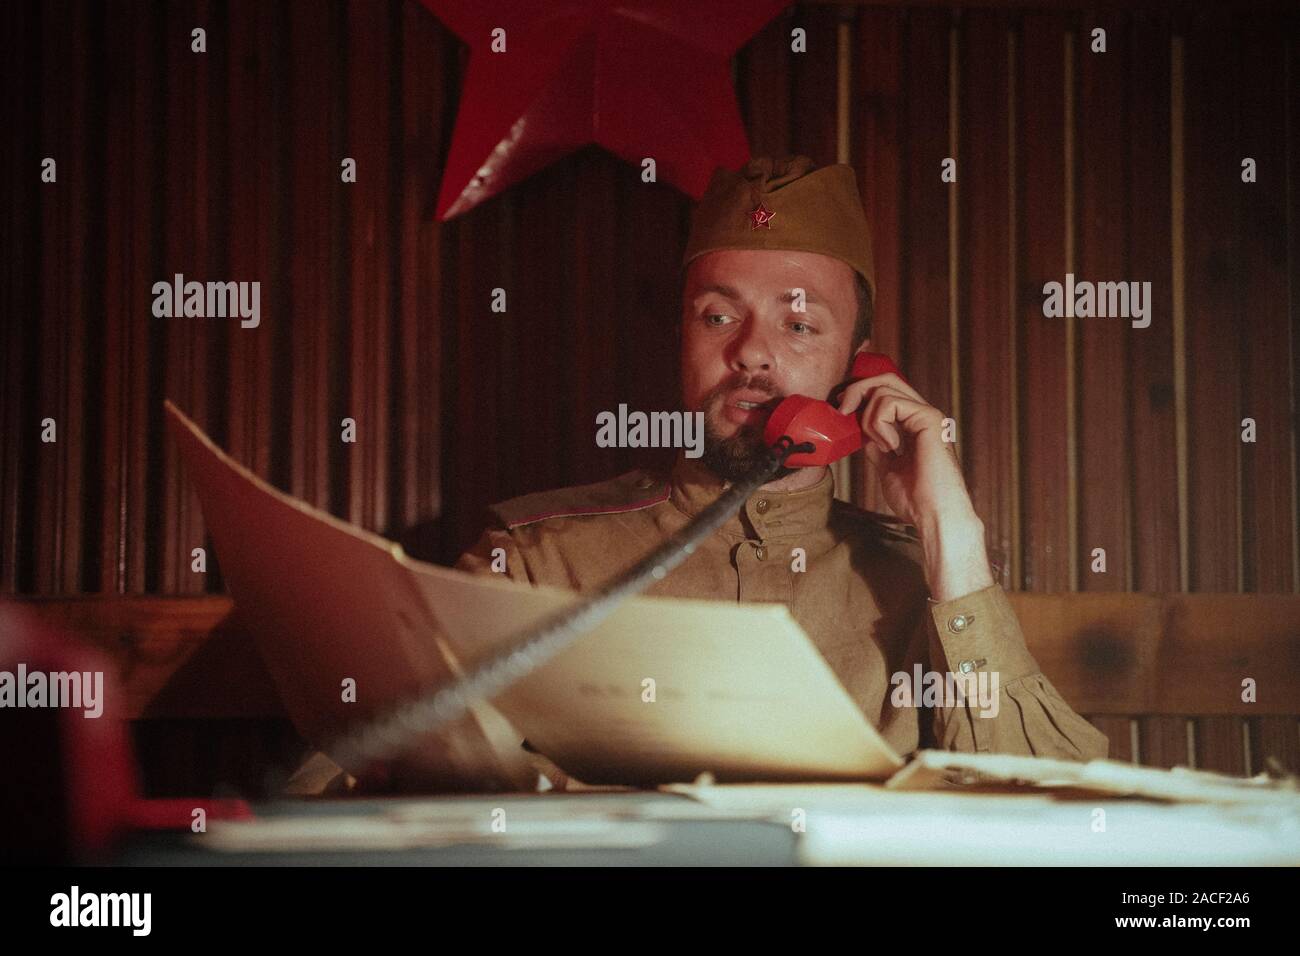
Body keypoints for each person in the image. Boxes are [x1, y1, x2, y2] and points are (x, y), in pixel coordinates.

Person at [453, 156, 1109, 782]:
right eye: (718, 316)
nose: (750, 353)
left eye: (797, 324)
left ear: (856, 365)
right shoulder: (534, 562)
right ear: (683, 339)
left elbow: (1057, 817)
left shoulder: (922, 587)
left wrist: (950, 534)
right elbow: (408, 780)